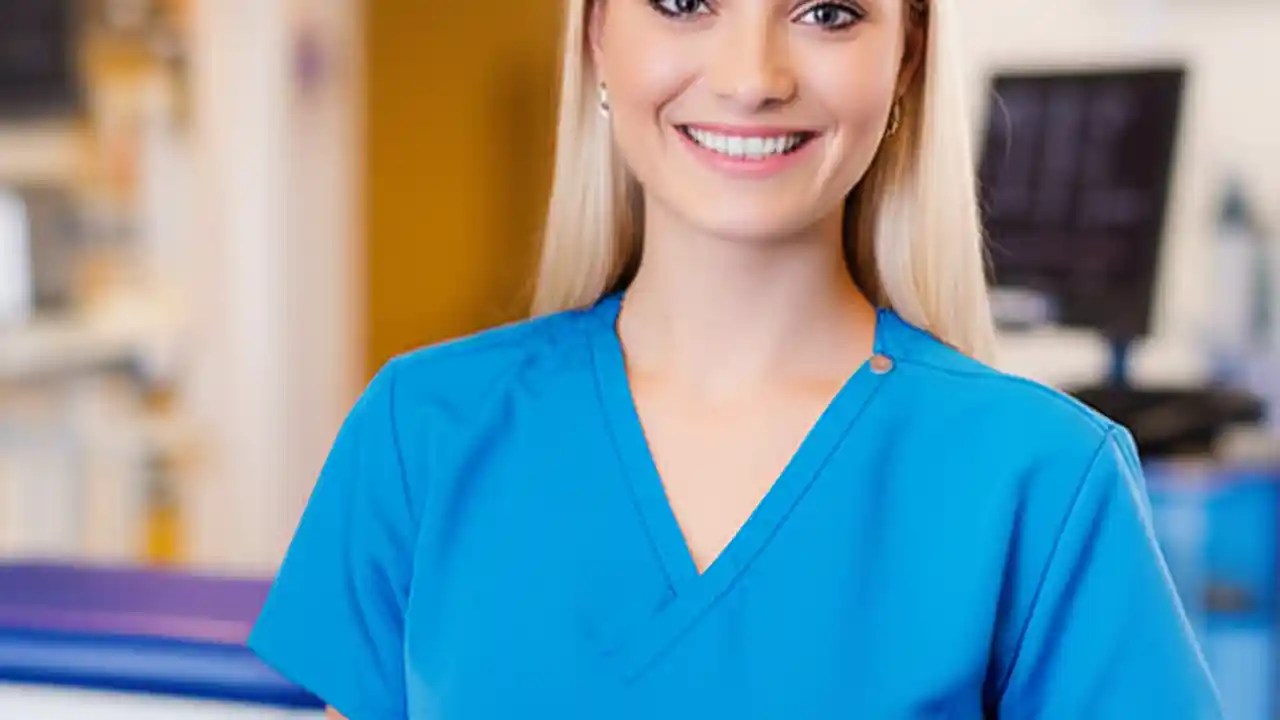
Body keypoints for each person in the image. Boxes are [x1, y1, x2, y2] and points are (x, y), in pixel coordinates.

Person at [249, 0, 1222, 717]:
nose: (751, 74)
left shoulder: (1039, 479)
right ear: (594, 34)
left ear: (906, 58)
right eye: (682, 3)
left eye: (827, 13)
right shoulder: (423, 431)